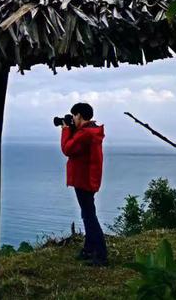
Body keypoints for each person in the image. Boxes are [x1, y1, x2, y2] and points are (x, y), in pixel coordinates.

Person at [59, 102, 108, 266]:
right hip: (89, 178)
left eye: (74, 115)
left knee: (89, 216)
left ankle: (101, 254)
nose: (72, 118)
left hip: (84, 180)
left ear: (79, 115)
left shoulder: (85, 134)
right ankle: (88, 249)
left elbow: (67, 149)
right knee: (87, 214)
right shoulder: (91, 131)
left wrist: (66, 130)